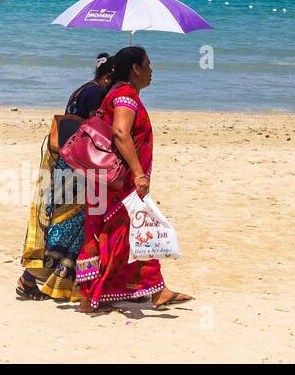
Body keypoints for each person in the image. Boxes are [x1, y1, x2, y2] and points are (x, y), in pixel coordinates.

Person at [76, 46, 193, 312]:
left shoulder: (116, 93)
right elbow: (120, 132)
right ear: (136, 69)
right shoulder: (126, 96)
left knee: (109, 233)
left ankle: (92, 296)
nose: (152, 71)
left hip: (104, 180)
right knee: (132, 231)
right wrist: (139, 172)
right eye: (148, 65)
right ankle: (150, 290)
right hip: (119, 182)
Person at [17, 54, 112, 302]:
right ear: (108, 77)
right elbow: (96, 131)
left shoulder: (82, 89)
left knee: (65, 220)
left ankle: (61, 281)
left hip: (66, 161)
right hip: (76, 164)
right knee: (70, 223)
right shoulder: (96, 94)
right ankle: (29, 279)